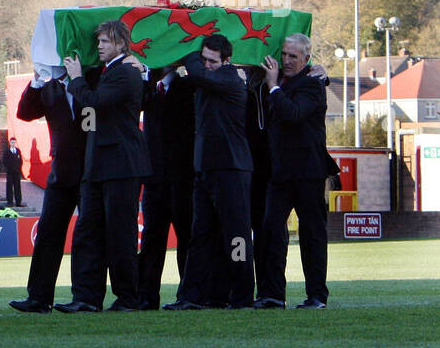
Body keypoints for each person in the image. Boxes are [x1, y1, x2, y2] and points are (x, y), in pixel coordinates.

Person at [55, 20, 151, 313]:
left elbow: (94, 102)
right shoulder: (112, 72)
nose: (98, 47)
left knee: (120, 234)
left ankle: (128, 298)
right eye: (97, 42)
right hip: (99, 165)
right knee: (88, 232)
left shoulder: (126, 74)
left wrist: (76, 77)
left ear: (122, 44)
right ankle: (86, 297)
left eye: (105, 42)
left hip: (122, 165)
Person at [163, 36, 255, 310]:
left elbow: (199, 74)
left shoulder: (229, 78)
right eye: (204, 59)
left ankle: (241, 296)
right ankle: (191, 296)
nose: (206, 65)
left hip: (231, 168)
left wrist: (187, 51)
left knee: (237, 236)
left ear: (227, 61)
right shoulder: (207, 79)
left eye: (212, 61)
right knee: (200, 235)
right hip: (206, 168)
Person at [255, 33, 336, 309]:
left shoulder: (313, 85)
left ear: (306, 59)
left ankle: (316, 295)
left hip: (308, 172)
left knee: (312, 234)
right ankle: (273, 295)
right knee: (271, 231)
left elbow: (293, 114)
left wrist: (274, 87)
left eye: (293, 56)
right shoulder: (282, 81)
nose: (287, 61)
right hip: (280, 173)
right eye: (285, 54)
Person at [8, 66, 94, 313]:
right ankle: (38, 297)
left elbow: (92, 123)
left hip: (89, 171)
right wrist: (35, 80)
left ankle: (85, 297)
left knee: (86, 236)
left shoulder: (88, 84)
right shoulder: (49, 89)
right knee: (47, 233)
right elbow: (24, 113)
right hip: (60, 172)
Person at [137, 65, 197, 310]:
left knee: (187, 238)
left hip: (183, 179)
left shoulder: (187, 87)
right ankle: (146, 297)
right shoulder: (149, 88)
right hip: (154, 180)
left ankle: (188, 295)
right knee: (152, 239)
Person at [4, 137, 24, 206]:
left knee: (17, 187)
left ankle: (18, 202)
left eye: (14, 142)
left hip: (17, 173)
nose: (13, 144)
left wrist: (18, 169)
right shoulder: (7, 151)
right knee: (9, 187)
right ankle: (10, 202)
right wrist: (9, 168)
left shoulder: (18, 151)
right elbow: (5, 161)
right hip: (10, 173)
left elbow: (20, 161)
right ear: (10, 143)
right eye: (12, 142)